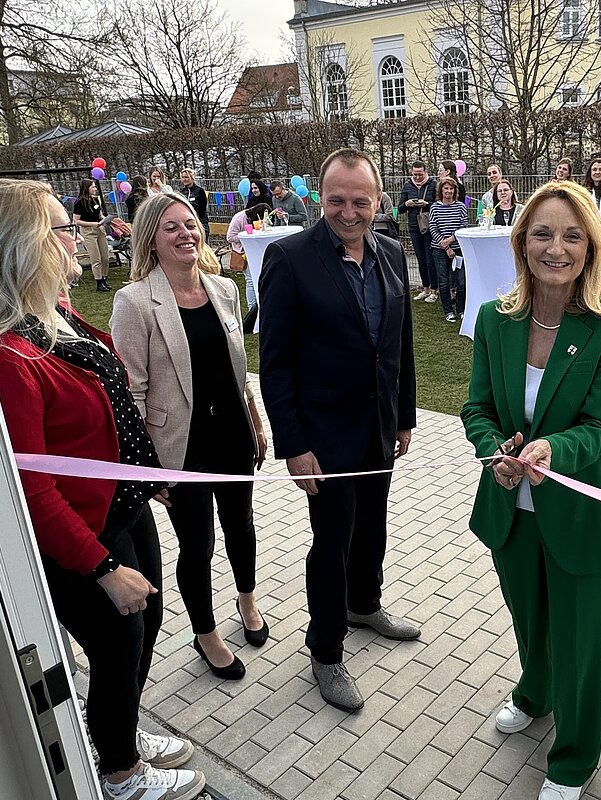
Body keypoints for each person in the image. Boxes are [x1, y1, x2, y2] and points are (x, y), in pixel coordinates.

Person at [0, 178, 203, 800]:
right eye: (61, 227)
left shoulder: (54, 314)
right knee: (117, 643)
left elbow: (111, 407)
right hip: (85, 535)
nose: (77, 234)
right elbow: (33, 486)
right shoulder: (10, 355)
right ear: (24, 245)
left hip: (124, 506)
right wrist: (100, 568)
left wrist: (150, 478)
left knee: (142, 630)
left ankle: (116, 730)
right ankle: (121, 773)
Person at [461, 180, 601, 800]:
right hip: (512, 508)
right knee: (530, 623)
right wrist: (495, 455)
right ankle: (533, 693)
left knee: (582, 645)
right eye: (542, 233)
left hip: (582, 514)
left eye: (571, 235)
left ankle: (573, 759)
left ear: (591, 246)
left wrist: (550, 450)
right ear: (521, 242)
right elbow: (477, 407)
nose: (555, 247)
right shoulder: (494, 318)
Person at [259, 148, 419, 712]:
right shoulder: (289, 257)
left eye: (360, 201)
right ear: (319, 199)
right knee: (332, 541)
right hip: (323, 436)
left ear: (378, 200)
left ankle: (364, 604)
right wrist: (294, 445)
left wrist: (404, 415)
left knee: (372, 524)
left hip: (378, 426)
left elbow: (399, 343)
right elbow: (275, 363)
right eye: (336, 200)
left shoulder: (394, 254)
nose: (348, 212)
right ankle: (325, 649)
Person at [111, 192, 268, 682]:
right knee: (197, 545)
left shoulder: (223, 288)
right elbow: (130, 391)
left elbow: (236, 368)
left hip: (233, 435)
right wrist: (145, 466)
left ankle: (246, 598)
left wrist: (254, 415)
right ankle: (205, 634)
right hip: (180, 448)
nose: (186, 233)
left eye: (190, 224)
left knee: (240, 525)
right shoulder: (135, 301)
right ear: (151, 241)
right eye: (170, 227)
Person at [430, 176, 468, 323]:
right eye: (446, 188)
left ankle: (461, 309)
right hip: (439, 250)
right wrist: (446, 247)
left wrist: (451, 240)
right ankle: (448, 310)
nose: (448, 191)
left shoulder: (460, 207)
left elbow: (463, 226)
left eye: (451, 188)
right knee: (444, 281)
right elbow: (433, 228)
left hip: (458, 249)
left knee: (461, 282)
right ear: (441, 190)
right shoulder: (434, 207)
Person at [399, 161, 437, 302]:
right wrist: (407, 204)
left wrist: (426, 204)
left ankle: (434, 290)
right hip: (414, 226)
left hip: (428, 226)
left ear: (425, 172)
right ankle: (425, 288)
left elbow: (439, 205)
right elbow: (401, 207)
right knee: (420, 259)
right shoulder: (408, 185)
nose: (417, 177)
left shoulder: (433, 184)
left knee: (430, 259)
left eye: (420, 175)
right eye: (415, 175)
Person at [226, 202, 273, 310]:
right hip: (243, 252)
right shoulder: (239, 218)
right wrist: (246, 237)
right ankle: (252, 307)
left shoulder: (258, 219)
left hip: (257, 250)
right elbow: (230, 237)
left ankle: (261, 303)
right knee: (250, 280)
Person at [74, 178, 112, 292]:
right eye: (93, 187)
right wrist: (93, 224)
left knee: (105, 257)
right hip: (88, 232)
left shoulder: (95, 200)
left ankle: (104, 278)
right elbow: (76, 221)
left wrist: (106, 220)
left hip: (100, 229)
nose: (95, 189)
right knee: (96, 258)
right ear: (87, 188)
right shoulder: (79, 202)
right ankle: (99, 281)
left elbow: (99, 215)